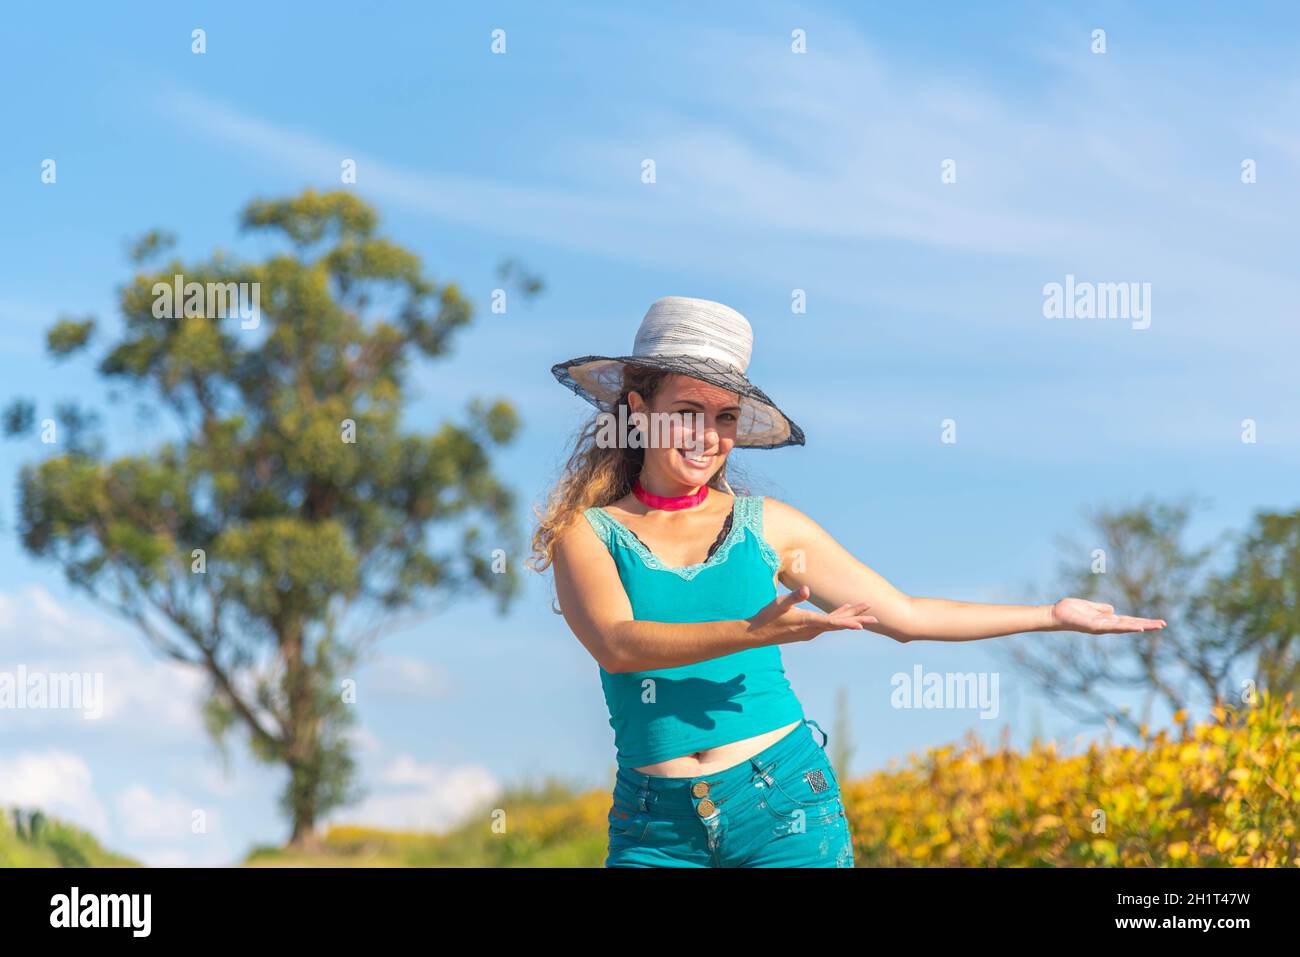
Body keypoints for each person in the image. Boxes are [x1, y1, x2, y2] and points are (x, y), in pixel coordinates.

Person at [528, 295, 1166, 868]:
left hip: (783, 806)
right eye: (687, 410)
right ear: (638, 412)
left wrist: (1052, 615)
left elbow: (907, 617)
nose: (709, 436)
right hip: (653, 828)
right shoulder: (586, 533)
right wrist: (754, 631)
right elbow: (618, 644)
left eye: (725, 417)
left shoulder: (769, 527)